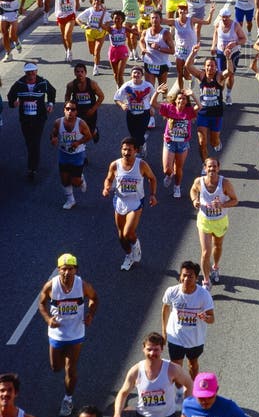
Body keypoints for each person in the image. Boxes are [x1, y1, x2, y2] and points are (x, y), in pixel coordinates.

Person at [37, 253, 98, 417]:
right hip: (57, 333)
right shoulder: (51, 286)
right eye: (63, 269)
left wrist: (90, 314)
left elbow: (94, 298)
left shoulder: (82, 286)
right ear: (58, 270)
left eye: (70, 269)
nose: (66, 273)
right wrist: (48, 319)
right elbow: (41, 303)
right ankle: (64, 360)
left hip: (76, 333)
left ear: (75, 270)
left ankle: (68, 399)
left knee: (71, 369)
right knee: (56, 367)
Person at [102, 137, 158, 270]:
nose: (126, 152)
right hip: (120, 200)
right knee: (121, 236)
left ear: (136, 151)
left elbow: (152, 178)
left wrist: (153, 195)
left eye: (129, 150)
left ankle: (136, 245)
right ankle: (128, 255)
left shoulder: (141, 165)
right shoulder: (115, 165)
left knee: (128, 233)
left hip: (135, 202)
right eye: (124, 149)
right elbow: (109, 179)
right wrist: (106, 188)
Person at [190, 158, 239, 289]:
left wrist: (222, 205)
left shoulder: (225, 184)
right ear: (205, 168)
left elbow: (235, 200)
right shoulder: (199, 182)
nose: (212, 169)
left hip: (220, 221)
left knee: (217, 245)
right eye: (209, 167)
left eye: (214, 167)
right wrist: (195, 200)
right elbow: (193, 190)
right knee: (205, 252)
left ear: (218, 168)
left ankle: (215, 266)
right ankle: (206, 281)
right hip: (204, 221)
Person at [161, 261, 215, 378]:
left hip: (195, 339)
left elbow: (212, 318)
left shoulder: (204, 295)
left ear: (196, 278)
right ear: (180, 276)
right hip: (175, 337)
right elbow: (165, 309)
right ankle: (180, 392)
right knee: (176, 366)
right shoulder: (172, 291)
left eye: (190, 276)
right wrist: (164, 332)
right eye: (184, 275)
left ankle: (193, 389)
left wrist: (206, 317)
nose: (186, 279)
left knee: (192, 364)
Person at [7, 61, 56, 180]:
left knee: (35, 141)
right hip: (25, 118)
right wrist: (13, 103)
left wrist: (50, 104)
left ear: (36, 72)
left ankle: (32, 169)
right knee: (29, 142)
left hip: (39, 118)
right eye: (28, 73)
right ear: (25, 73)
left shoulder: (43, 83)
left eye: (33, 72)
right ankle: (33, 162)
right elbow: (10, 96)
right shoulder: (19, 84)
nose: (31, 75)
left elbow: (52, 91)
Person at [50, 98, 93, 210]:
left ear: (76, 111)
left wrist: (78, 142)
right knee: (64, 179)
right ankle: (70, 200)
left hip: (77, 155)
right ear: (64, 110)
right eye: (67, 109)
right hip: (63, 154)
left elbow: (89, 136)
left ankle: (81, 180)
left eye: (73, 109)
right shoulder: (58, 122)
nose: (70, 111)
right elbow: (54, 134)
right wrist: (53, 139)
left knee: (75, 182)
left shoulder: (81, 123)